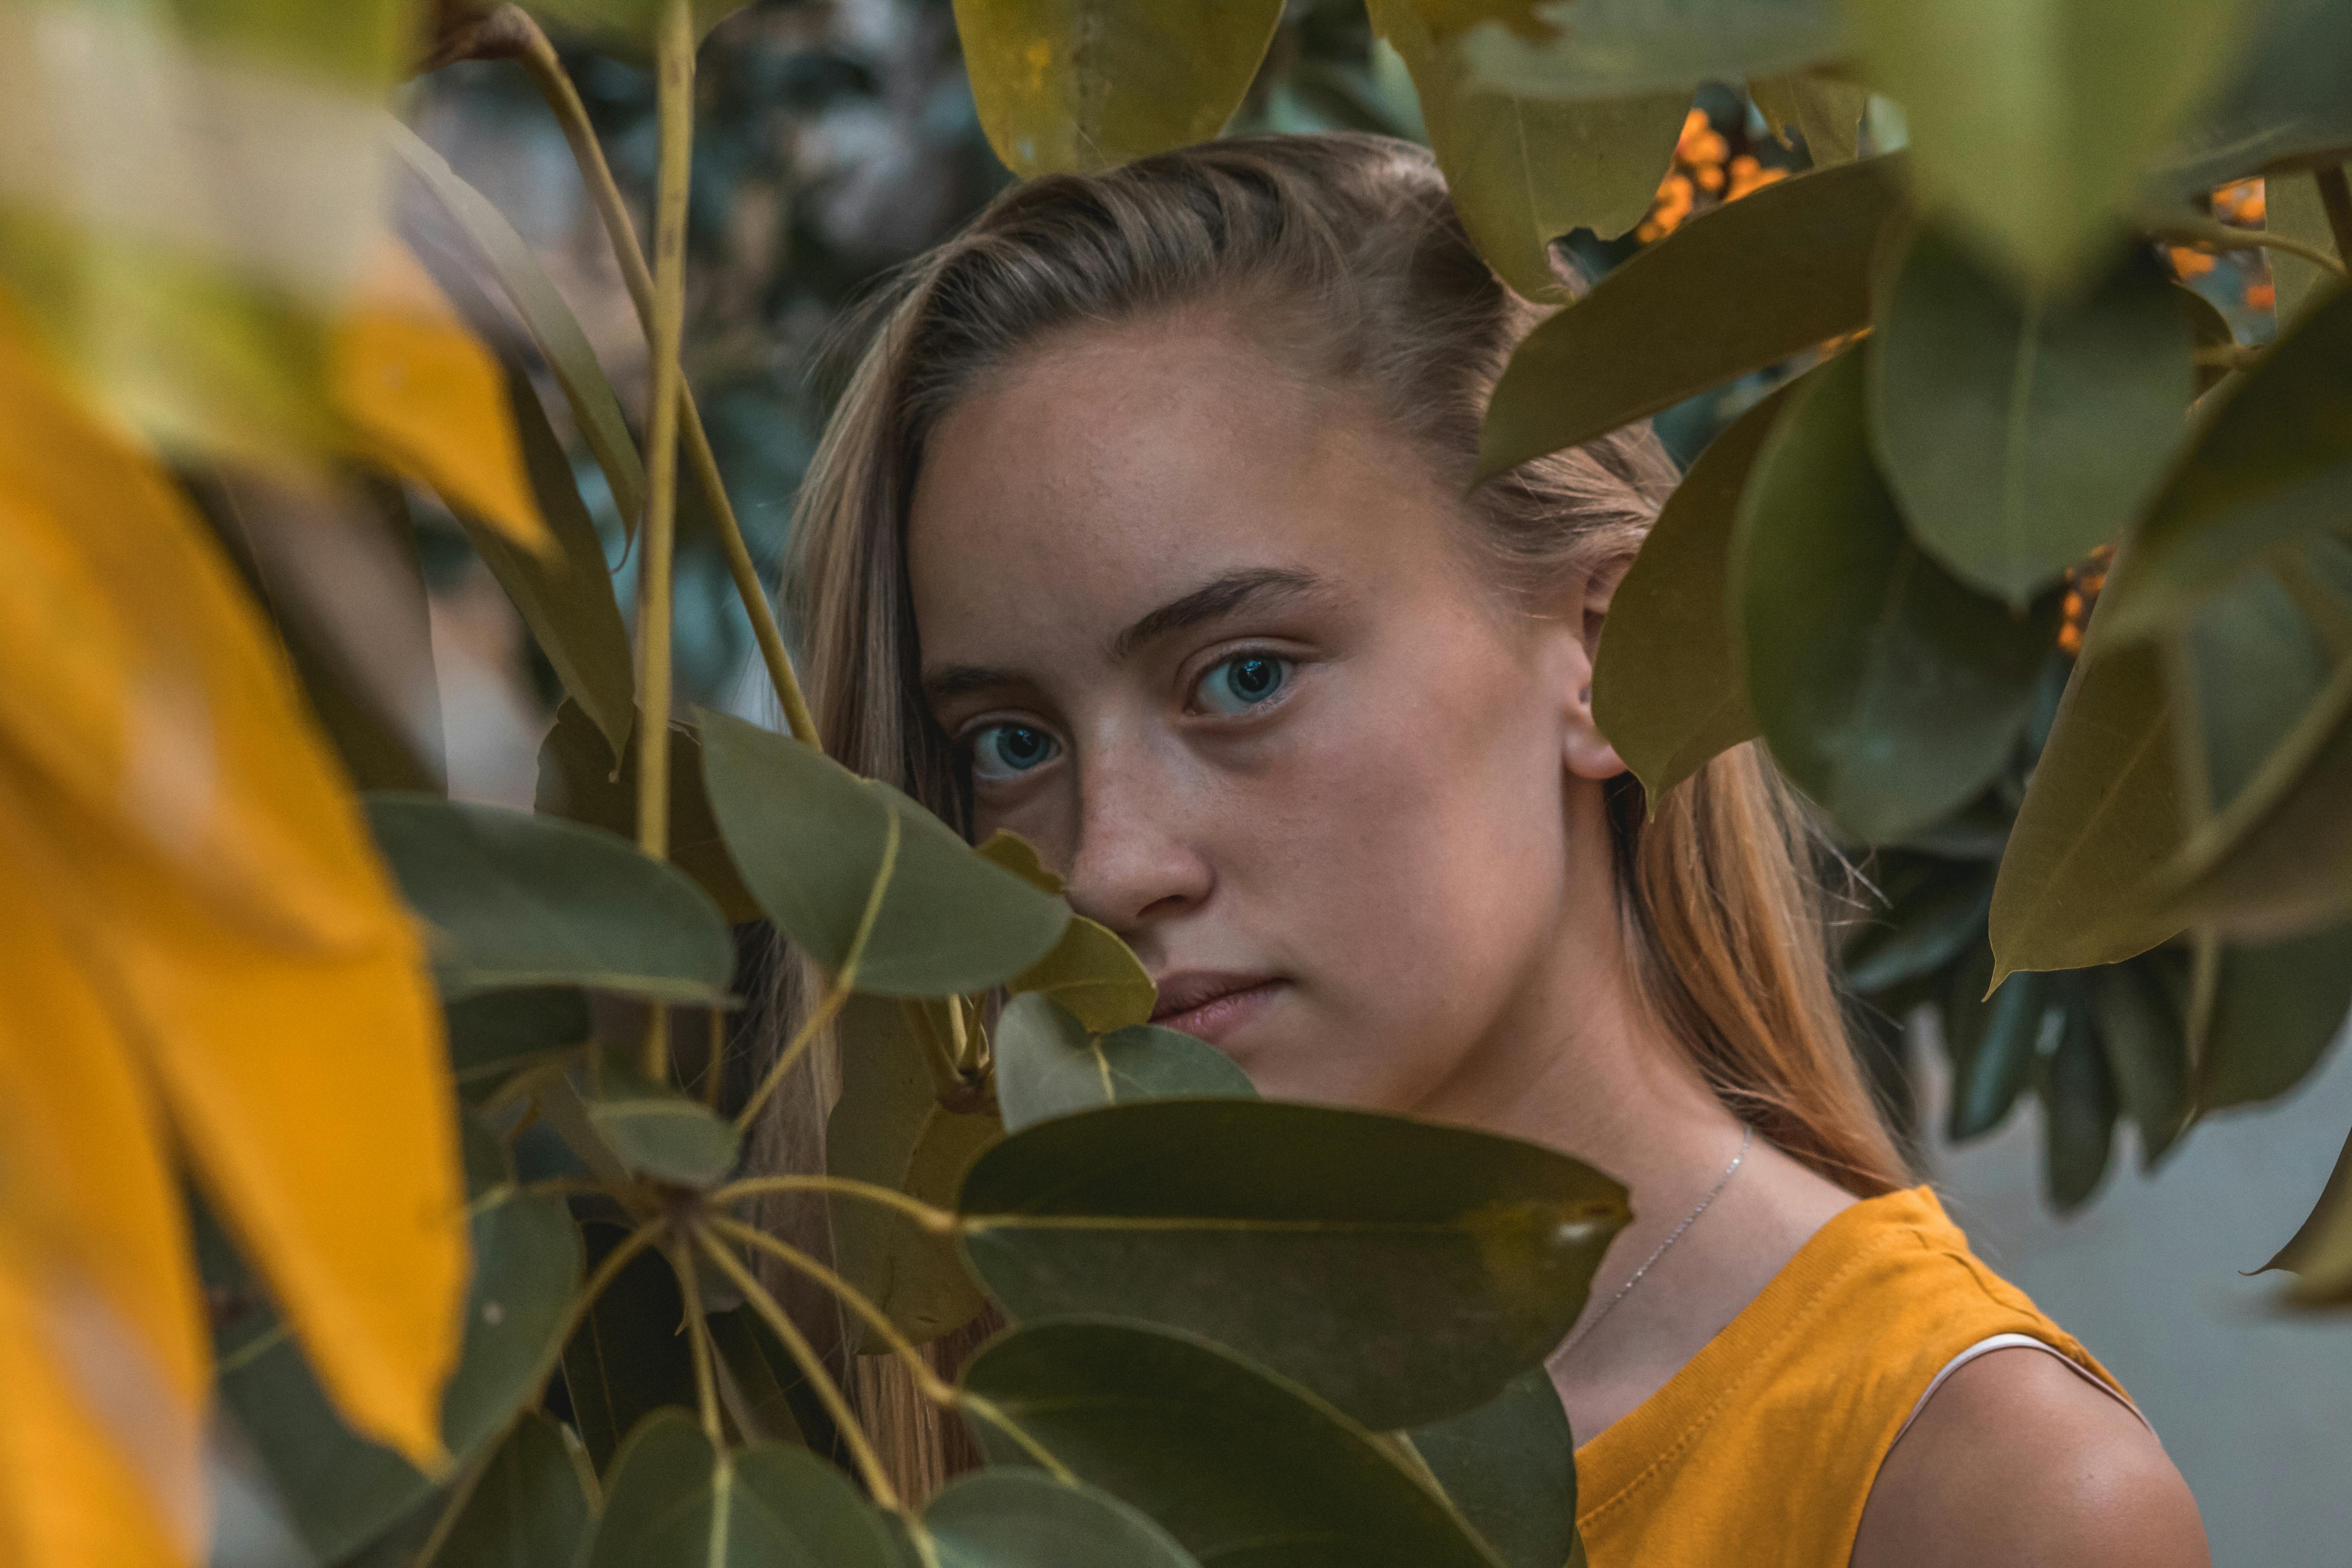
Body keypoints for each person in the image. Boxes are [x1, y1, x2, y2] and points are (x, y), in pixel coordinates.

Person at [774, 131, 2210, 1566]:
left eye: (1244, 675)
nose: (1104, 867)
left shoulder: (1980, 1496)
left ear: (1601, 653)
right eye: (1008, 745)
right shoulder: (979, 1442)